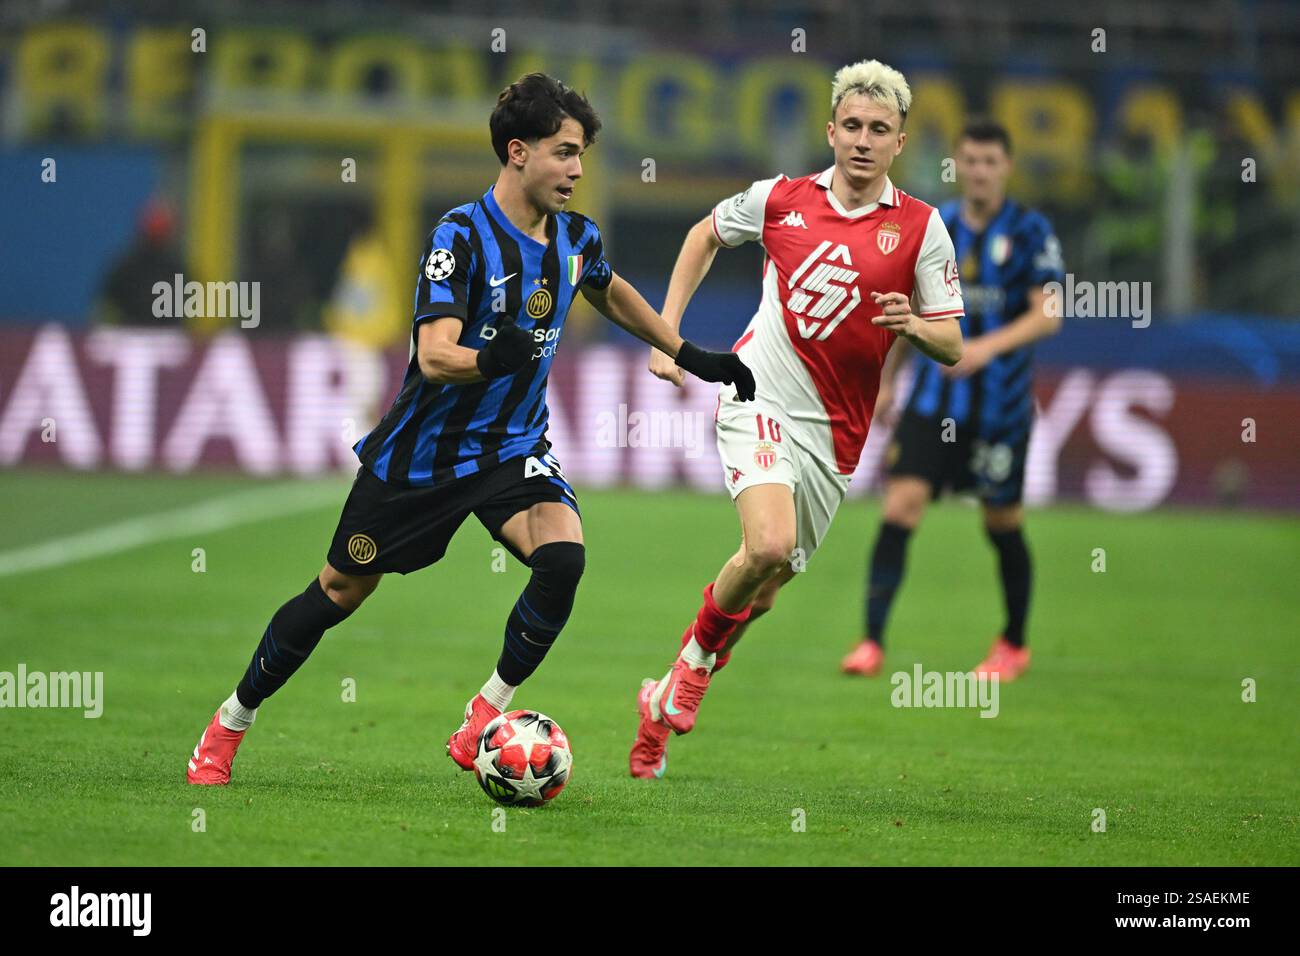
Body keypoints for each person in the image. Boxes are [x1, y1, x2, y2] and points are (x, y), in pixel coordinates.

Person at [187, 73, 755, 786]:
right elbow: (433, 355)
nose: (577, 170)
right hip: (420, 461)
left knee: (563, 560)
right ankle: (230, 722)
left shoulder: (574, 237)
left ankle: (485, 713)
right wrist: (493, 357)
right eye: (564, 152)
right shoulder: (459, 236)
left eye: (582, 155)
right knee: (337, 592)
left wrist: (685, 350)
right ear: (518, 152)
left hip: (511, 450)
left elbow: (605, 286)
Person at [629, 59, 963, 779]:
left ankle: (658, 700)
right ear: (830, 131)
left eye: (879, 130)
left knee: (766, 587)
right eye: (851, 126)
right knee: (770, 543)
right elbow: (703, 235)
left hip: (836, 435)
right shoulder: (779, 199)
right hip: (759, 392)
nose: (863, 141)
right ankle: (691, 670)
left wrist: (914, 324)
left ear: (900, 141)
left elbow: (952, 342)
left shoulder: (922, 230)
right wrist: (669, 335)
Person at [841, 117, 1065, 682]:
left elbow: (1050, 312)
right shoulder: (934, 224)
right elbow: (904, 310)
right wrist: (890, 382)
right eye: (970, 161)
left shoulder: (1031, 231)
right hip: (932, 403)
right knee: (899, 510)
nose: (980, 172)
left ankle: (1013, 643)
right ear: (957, 165)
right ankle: (871, 642)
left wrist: (985, 348)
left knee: (1001, 522)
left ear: (1006, 168)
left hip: (1001, 409)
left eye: (991, 162)